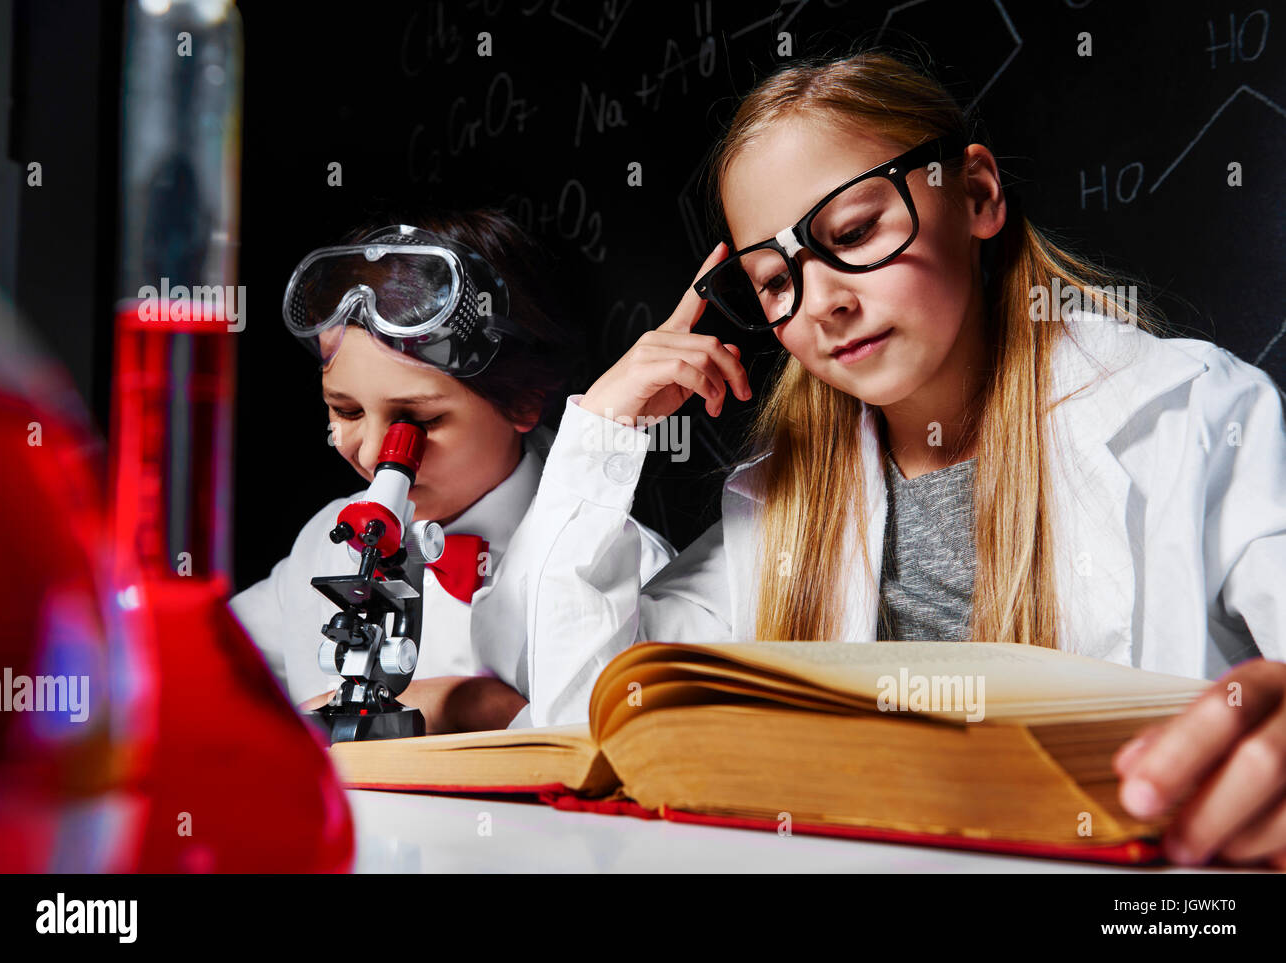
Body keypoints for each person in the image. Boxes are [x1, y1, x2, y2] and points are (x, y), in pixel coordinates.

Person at [513, 51, 1286, 867]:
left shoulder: (1194, 416)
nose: (824, 302)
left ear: (977, 194)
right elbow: (588, 733)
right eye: (775, 282)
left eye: (854, 232)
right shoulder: (780, 507)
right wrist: (602, 431)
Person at [229, 210, 673, 732]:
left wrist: (496, 713)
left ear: (524, 400)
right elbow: (197, 669)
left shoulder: (623, 563)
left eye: (418, 421)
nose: (371, 455)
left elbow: (633, 745)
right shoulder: (327, 539)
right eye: (346, 411)